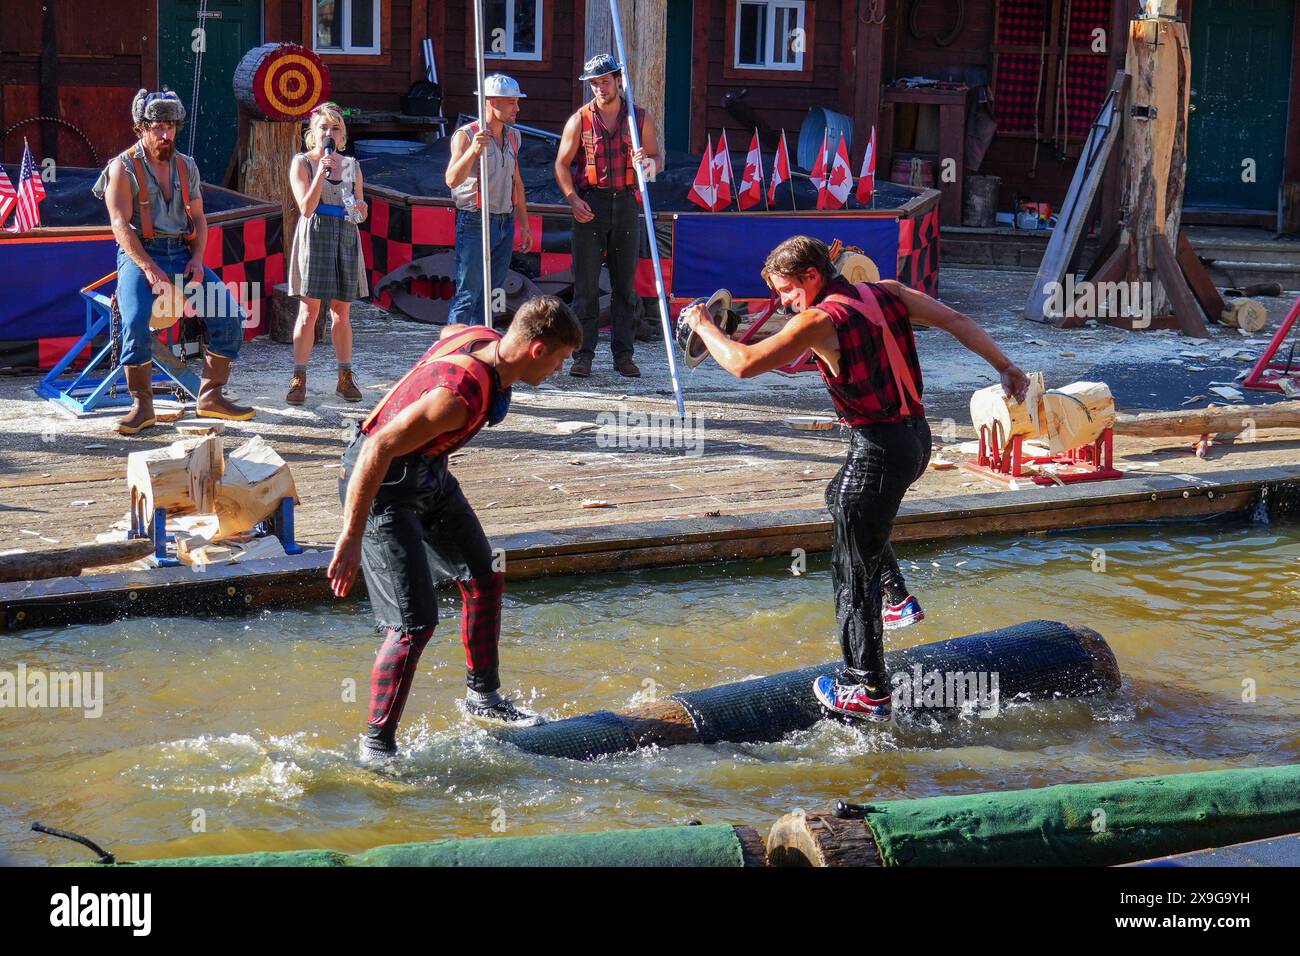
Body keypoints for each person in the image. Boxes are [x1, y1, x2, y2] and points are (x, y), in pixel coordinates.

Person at [680, 236, 1030, 722]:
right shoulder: (887, 291)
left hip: (879, 451)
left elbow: (742, 364)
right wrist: (1006, 367)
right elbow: (957, 320)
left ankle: (867, 688)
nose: (783, 302)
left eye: (785, 290)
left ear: (810, 277)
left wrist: (701, 323)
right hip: (915, 439)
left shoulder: (821, 319)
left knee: (851, 572)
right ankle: (898, 598)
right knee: (839, 502)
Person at [328, 296, 581, 757]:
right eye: (561, 360)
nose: (560, 371)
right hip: (381, 484)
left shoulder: (484, 340)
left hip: (427, 473)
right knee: (413, 623)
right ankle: (377, 748)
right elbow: (378, 448)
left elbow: (450, 333)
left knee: (484, 575)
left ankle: (483, 698)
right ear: (537, 350)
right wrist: (349, 537)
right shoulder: (457, 401)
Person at [94, 89, 255, 434]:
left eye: (170, 126)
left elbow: (198, 218)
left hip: (181, 253)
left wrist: (198, 258)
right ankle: (142, 406)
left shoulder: (187, 166)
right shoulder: (121, 167)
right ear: (141, 127)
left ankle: (210, 396)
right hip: (141, 255)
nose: (165, 134)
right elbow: (120, 226)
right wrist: (150, 270)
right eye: (157, 127)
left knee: (229, 316)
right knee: (135, 322)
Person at [553, 53, 662, 379]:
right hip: (590, 205)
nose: (600, 88)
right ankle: (582, 356)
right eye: (594, 83)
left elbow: (659, 158)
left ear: (618, 80)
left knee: (625, 288)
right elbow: (561, 163)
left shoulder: (639, 118)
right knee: (585, 288)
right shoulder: (580, 120)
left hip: (627, 204)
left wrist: (648, 163)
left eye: (604, 81)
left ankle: (623, 355)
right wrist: (572, 199)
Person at [285, 102, 369, 405]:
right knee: (309, 311)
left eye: (335, 128)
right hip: (315, 233)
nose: (329, 133)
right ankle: (299, 377)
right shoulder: (303, 163)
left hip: (345, 233)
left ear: (342, 135)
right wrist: (322, 171)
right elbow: (306, 208)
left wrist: (362, 209)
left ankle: (345, 377)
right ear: (313, 133)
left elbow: (360, 212)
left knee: (342, 312)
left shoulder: (352, 166)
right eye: (324, 128)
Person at [444, 74, 532, 327]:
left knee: (493, 293)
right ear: (492, 102)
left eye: (516, 102)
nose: (517, 108)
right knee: (467, 293)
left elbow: (518, 183)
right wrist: (473, 152)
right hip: (475, 220)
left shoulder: (514, 136)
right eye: (511, 102)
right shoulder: (467, 136)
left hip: (504, 221)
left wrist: (524, 224)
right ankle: (454, 349)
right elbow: (451, 179)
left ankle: (482, 343)